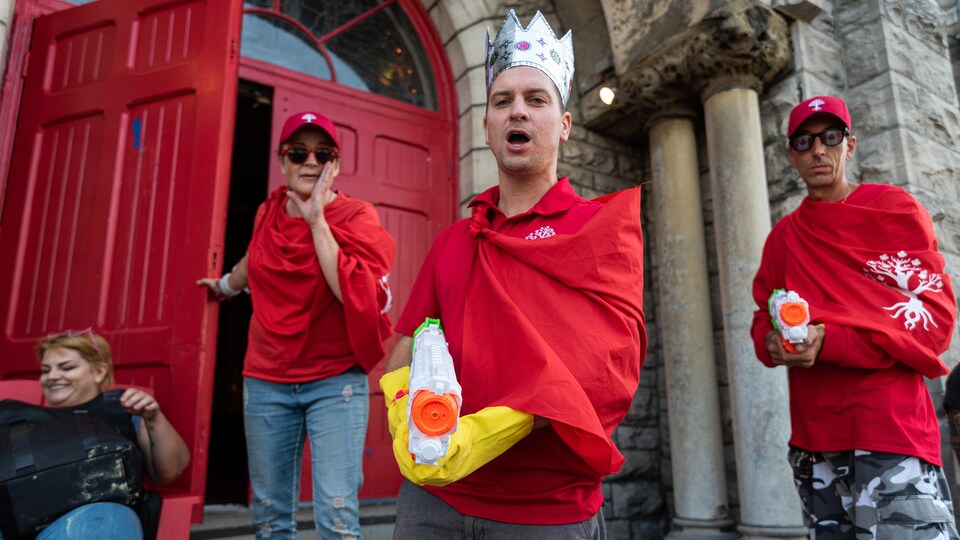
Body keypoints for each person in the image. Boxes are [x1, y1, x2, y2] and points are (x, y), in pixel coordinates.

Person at [378, 10, 646, 538]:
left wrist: (483, 433)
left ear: (564, 126)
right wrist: (405, 414)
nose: (516, 111)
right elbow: (408, 345)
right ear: (486, 126)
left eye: (535, 99)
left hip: (545, 512)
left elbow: (606, 373)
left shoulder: (601, 230)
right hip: (432, 505)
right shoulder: (455, 241)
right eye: (502, 101)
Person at [750, 94, 959, 536]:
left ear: (850, 145)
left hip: (890, 431)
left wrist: (831, 340)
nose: (818, 151)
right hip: (814, 445)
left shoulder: (894, 211)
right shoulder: (783, 238)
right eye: (804, 142)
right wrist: (772, 344)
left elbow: (934, 323)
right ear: (791, 155)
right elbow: (761, 318)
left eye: (830, 137)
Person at [197, 111, 396, 539]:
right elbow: (255, 260)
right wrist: (225, 286)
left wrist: (316, 220)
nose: (310, 162)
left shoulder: (358, 216)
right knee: (269, 515)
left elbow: (354, 294)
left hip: (334, 379)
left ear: (336, 164)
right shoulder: (267, 212)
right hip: (267, 377)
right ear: (282, 160)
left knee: (337, 515)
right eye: (298, 152)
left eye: (322, 154)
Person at [0, 328, 190, 540]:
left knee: (102, 522)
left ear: (99, 371)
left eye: (67, 367)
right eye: (45, 370)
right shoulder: (10, 415)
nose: (52, 376)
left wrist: (153, 417)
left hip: (90, 515)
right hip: (10, 520)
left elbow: (170, 471)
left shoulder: (123, 408)